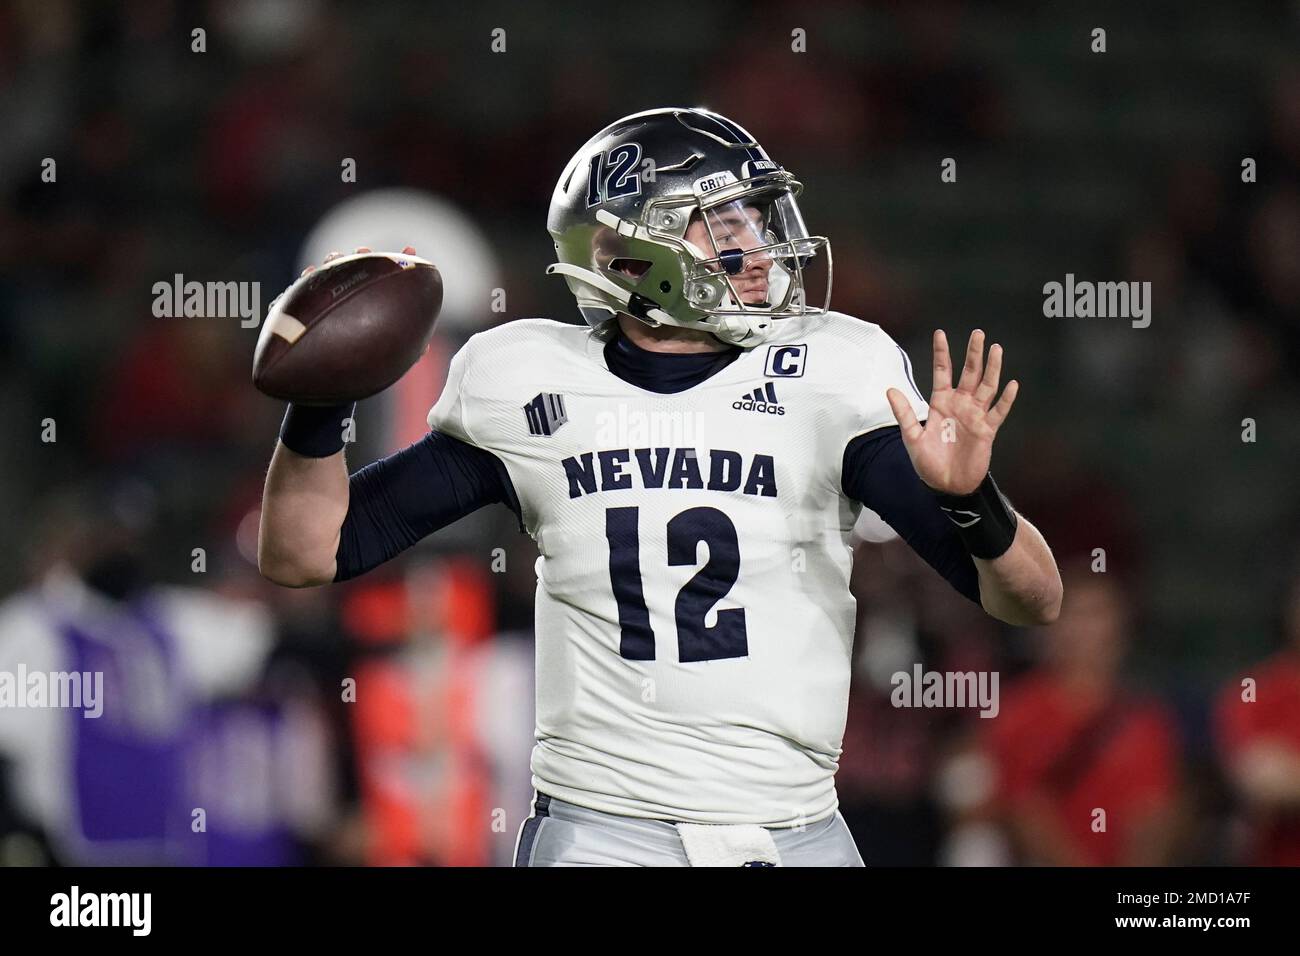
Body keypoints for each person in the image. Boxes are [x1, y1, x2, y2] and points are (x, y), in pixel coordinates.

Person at [257, 108, 1062, 867]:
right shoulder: (531, 383)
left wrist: (973, 497)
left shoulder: (833, 371)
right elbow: (307, 551)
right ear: (632, 255)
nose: (761, 245)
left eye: (756, 216)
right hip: (603, 834)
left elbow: (1033, 599)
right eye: (726, 224)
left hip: (797, 830)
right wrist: (317, 406)